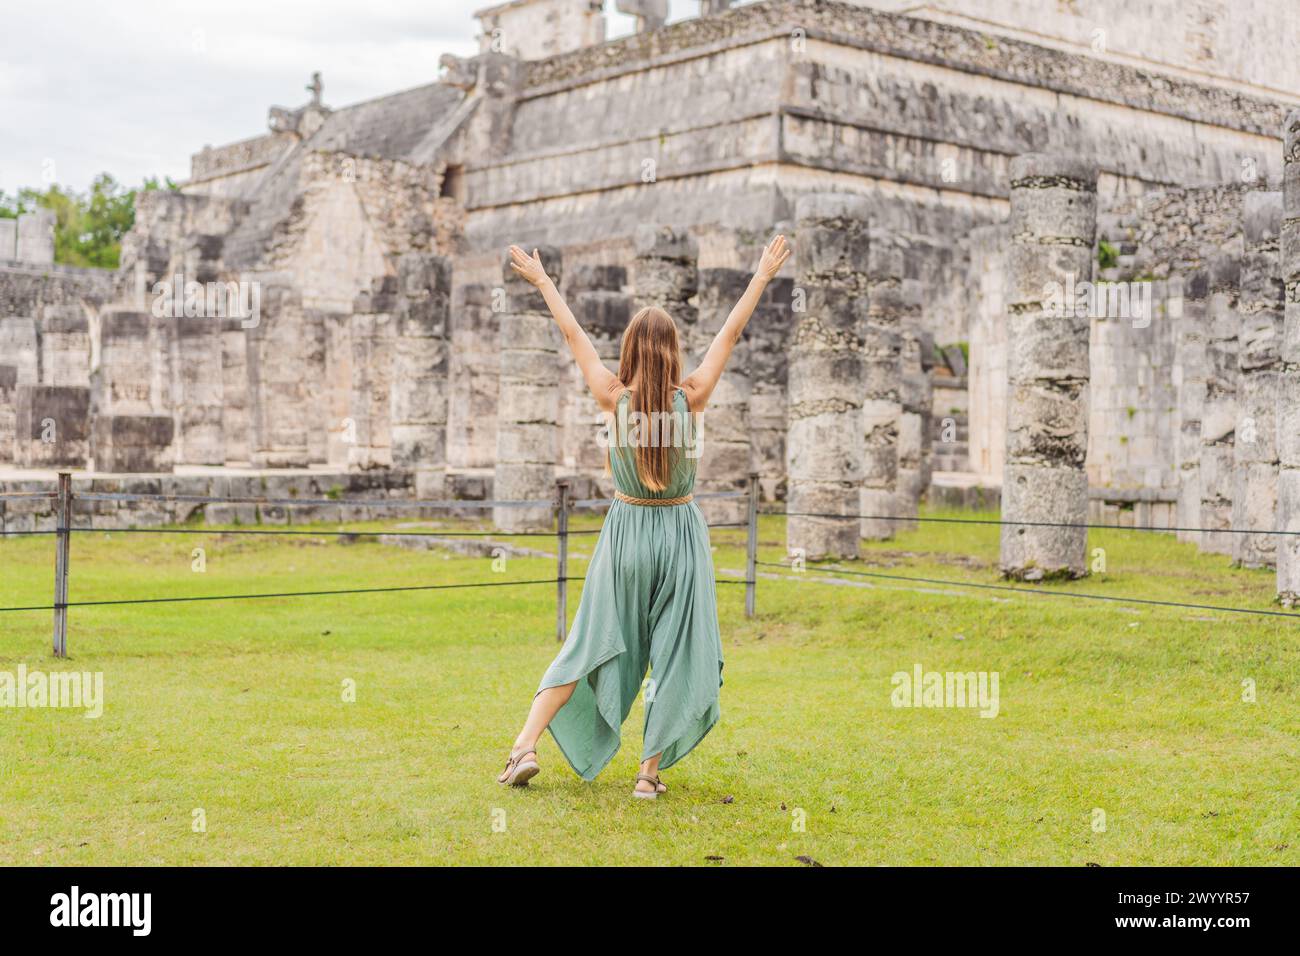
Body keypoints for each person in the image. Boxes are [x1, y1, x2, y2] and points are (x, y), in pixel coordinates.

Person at [498, 235, 792, 798]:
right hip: (679, 534)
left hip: (627, 533)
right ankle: (647, 775)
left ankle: (524, 747)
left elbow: (571, 334)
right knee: (676, 654)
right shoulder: (694, 395)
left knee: (587, 643)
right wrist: (760, 276)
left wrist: (544, 283)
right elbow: (730, 333)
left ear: (631, 348)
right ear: (674, 350)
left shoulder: (613, 396)